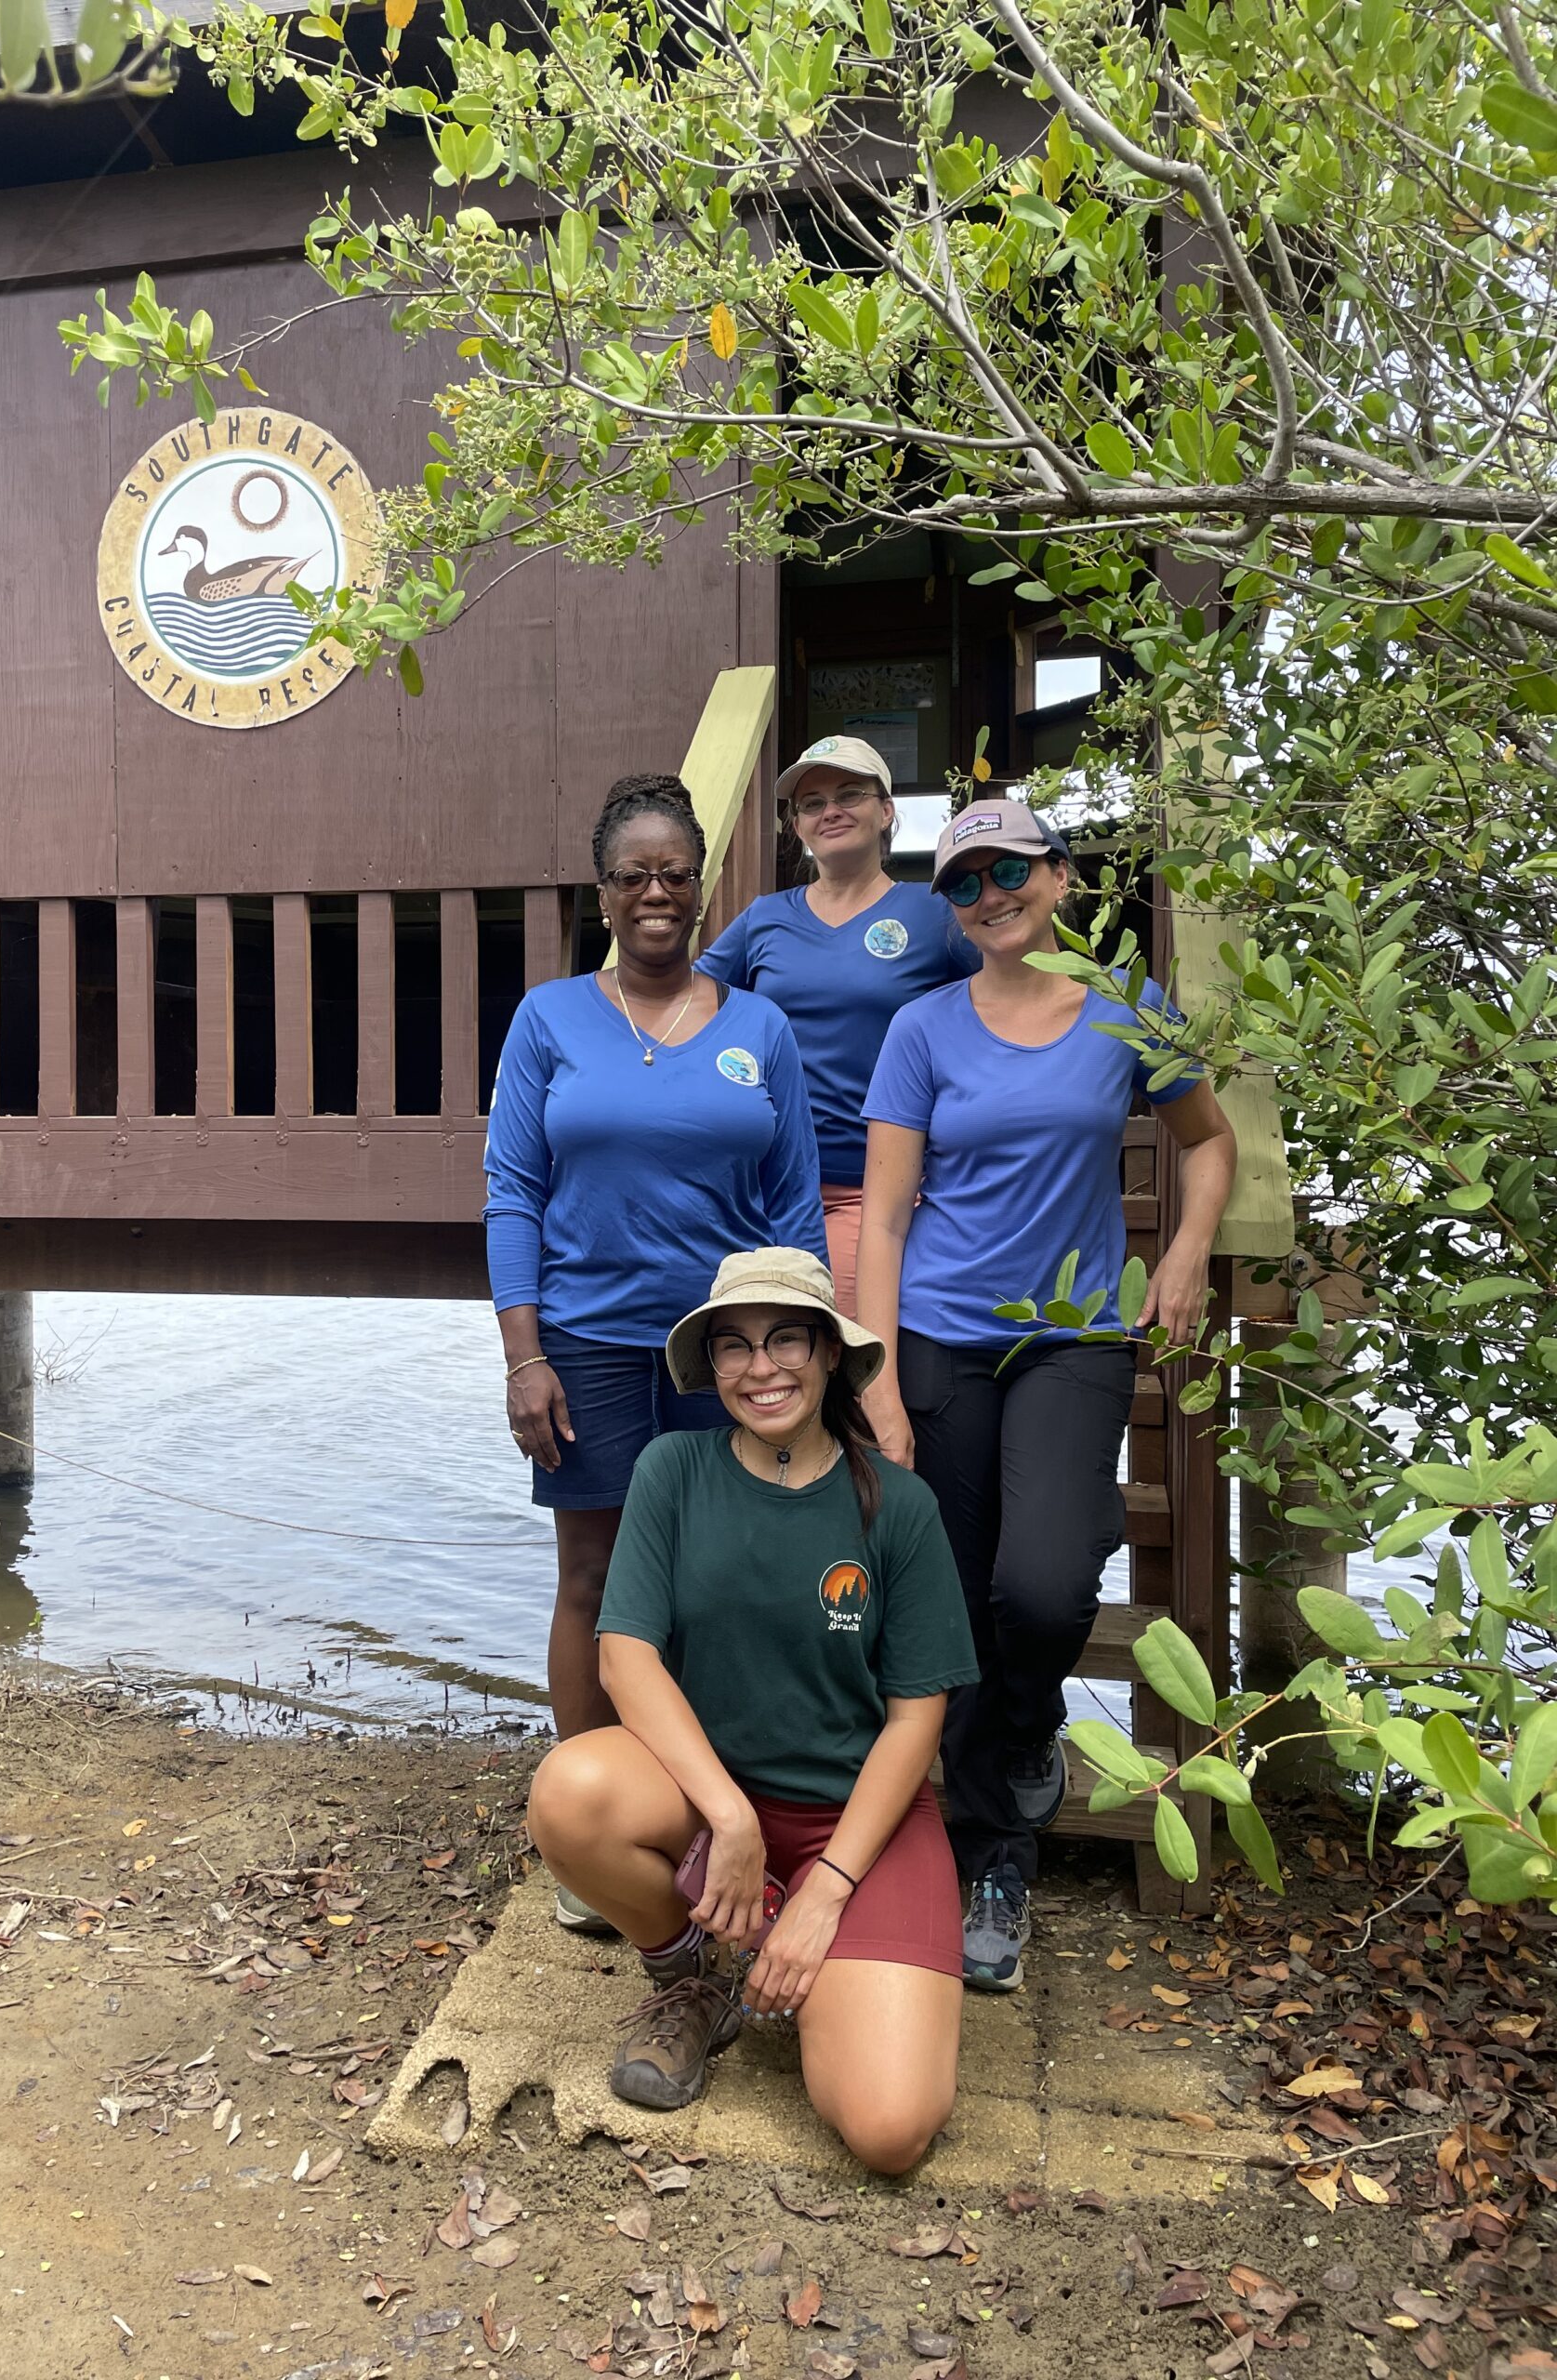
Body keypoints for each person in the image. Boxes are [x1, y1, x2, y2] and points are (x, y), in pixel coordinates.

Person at [857, 799, 1237, 1993]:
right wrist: (875, 1374)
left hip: (1074, 1336)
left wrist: (1181, 1255)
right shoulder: (920, 1028)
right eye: (964, 883)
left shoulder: (1127, 1010)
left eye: (1009, 870)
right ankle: (992, 1858)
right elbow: (883, 1212)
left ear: (1061, 876)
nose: (989, 896)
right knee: (962, 1598)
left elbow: (1209, 1140)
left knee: (1047, 1579)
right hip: (940, 1338)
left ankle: (1024, 1738)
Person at [526, 1247, 976, 2174]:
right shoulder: (673, 1471)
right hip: (709, 1799)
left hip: (858, 1825)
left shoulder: (900, 1506)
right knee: (570, 1790)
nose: (759, 1367)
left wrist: (826, 1893)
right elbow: (625, 1654)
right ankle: (696, 1976)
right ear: (710, 1366)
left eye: (784, 1341)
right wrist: (728, 1814)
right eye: (732, 1346)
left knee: (891, 2130)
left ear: (827, 1355)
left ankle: (807, 1961)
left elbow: (915, 1719)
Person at [484, 775, 826, 1927]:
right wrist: (524, 1355)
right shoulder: (549, 1019)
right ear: (604, 892)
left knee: (719, 1583)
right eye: (633, 874)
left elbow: (792, 1205)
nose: (655, 892)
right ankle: (588, 1826)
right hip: (585, 1340)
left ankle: (715, 1804)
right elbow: (513, 1190)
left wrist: (801, 1352)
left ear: (701, 886)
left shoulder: (758, 1028)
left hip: (726, 1349)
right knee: (593, 1576)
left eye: (674, 873)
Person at [697, 735, 980, 1315]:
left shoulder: (935, 915)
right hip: (761, 1182)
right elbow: (683, 1005)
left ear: (887, 811)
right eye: (811, 802)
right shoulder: (764, 918)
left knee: (837, 1361)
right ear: (796, 826)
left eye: (850, 793)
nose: (831, 810)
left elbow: (1007, 999)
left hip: (875, 1187)